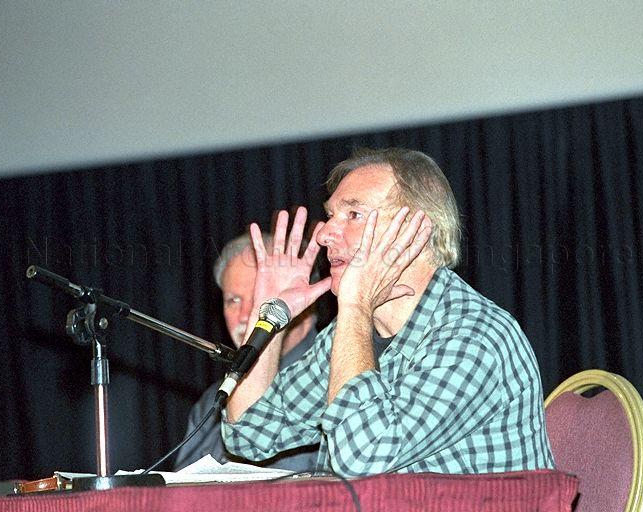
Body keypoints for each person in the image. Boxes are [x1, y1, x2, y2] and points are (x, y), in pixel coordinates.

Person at [222, 147, 555, 477]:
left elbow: (362, 459)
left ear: (414, 231)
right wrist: (269, 313)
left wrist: (355, 306)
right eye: (330, 215)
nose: (324, 234)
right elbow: (249, 434)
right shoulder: (350, 334)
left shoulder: (474, 334)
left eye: (353, 215)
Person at [173, 233, 319, 471]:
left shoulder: (335, 376)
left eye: (258, 298)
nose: (243, 315)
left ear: (304, 302)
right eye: (233, 300)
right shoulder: (214, 399)